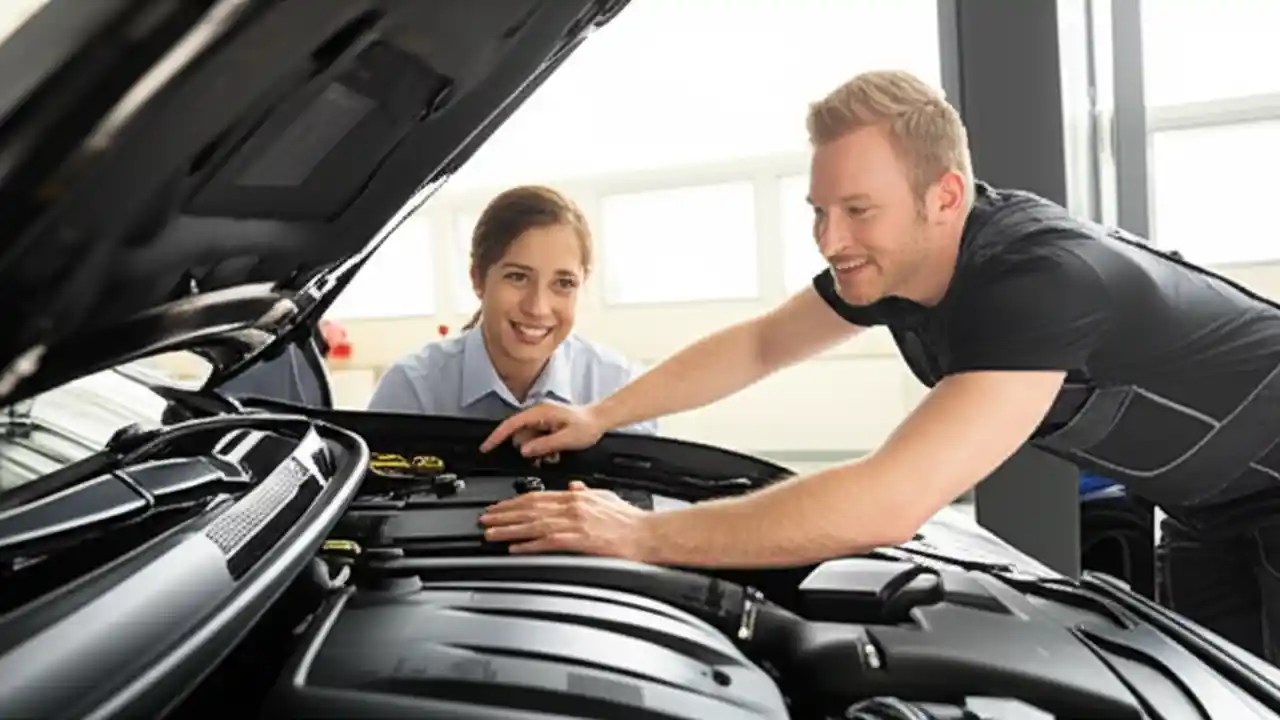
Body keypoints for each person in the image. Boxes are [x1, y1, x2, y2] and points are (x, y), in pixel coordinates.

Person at [477, 70, 1280, 663]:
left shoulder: (1039, 282)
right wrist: (597, 416)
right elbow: (760, 344)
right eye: (820, 213)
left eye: (857, 211)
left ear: (944, 196)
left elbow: (889, 501)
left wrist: (645, 536)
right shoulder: (897, 270)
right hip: (1209, 510)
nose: (831, 241)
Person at [368, 185, 655, 435]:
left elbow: (638, 499)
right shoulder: (412, 390)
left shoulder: (618, 388)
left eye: (564, 283)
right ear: (478, 278)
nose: (538, 307)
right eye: (518, 277)